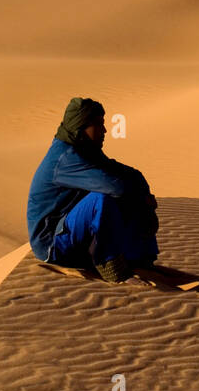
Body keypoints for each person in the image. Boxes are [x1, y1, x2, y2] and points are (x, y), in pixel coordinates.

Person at [26, 97, 159, 283]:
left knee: (126, 191)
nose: (105, 130)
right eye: (98, 124)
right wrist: (142, 201)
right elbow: (115, 186)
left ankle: (141, 260)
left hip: (70, 233)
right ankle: (111, 266)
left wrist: (144, 198)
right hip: (51, 244)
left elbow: (130, 176)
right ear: (80, 127)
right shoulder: (66, 158)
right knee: (102, 199)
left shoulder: (86, 150)